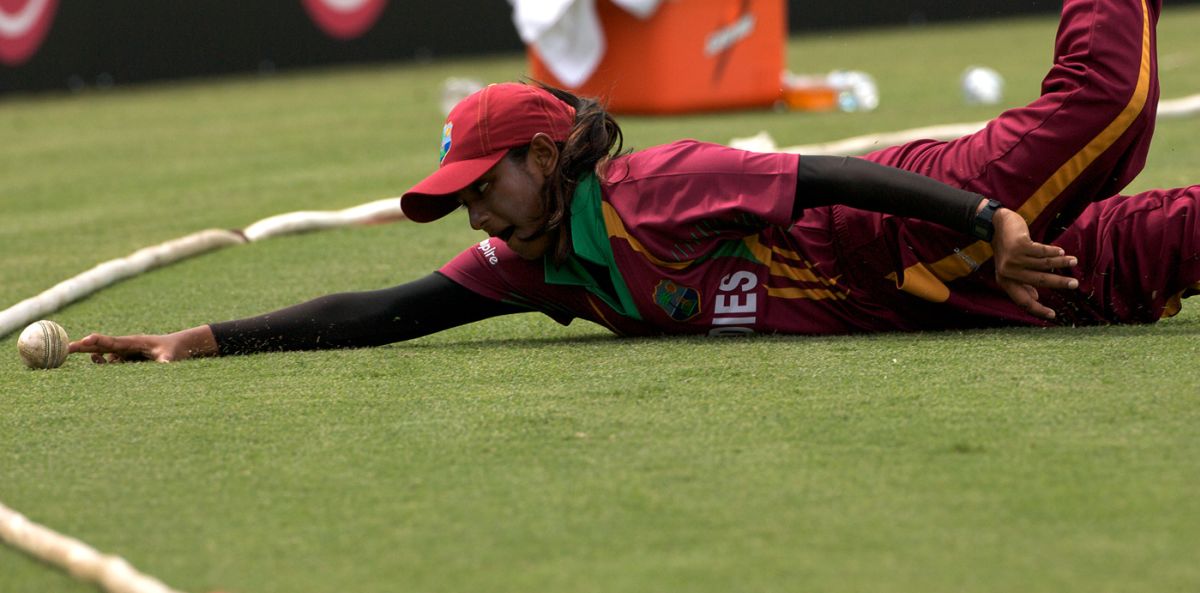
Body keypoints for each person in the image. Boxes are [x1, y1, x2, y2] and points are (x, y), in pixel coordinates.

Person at [71, 0, 1197, 363]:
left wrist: (987, 212)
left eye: (482, 181)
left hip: (908, 226)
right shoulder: (540, 262)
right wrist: (203, 338)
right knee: (1162, 249)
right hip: (921, 299)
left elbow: (827, 174)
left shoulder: (657, 188)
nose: (472, 205)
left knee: (1101, 101)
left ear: (545, 158)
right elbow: (384, 310)